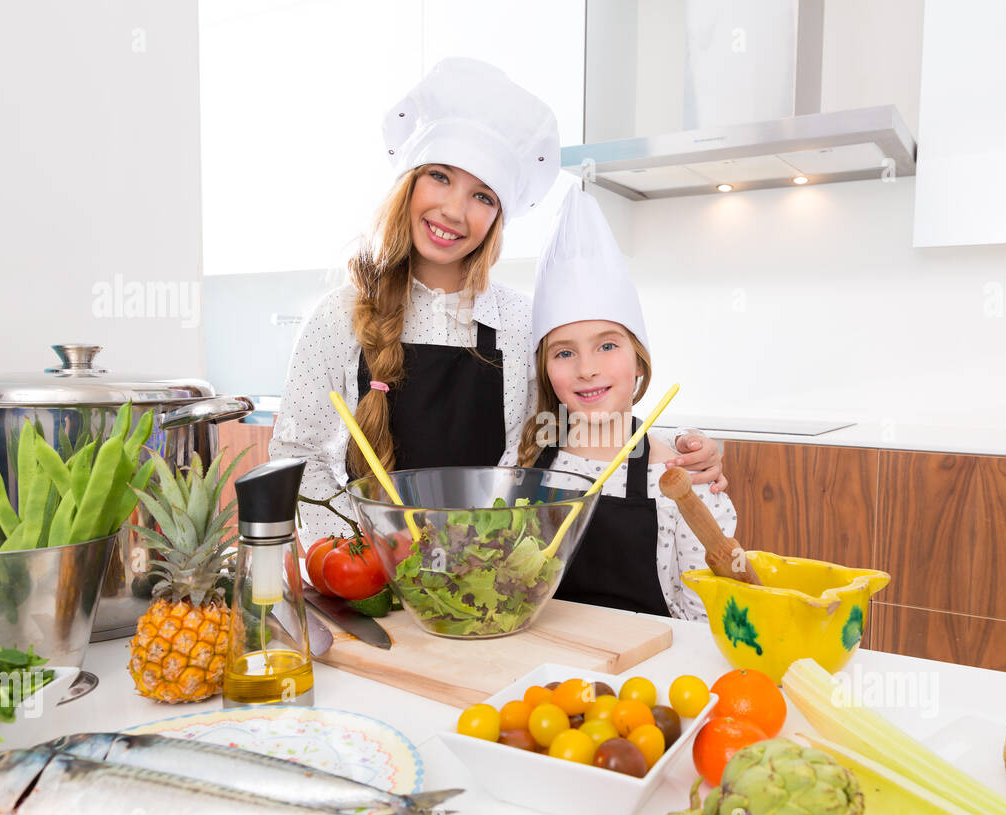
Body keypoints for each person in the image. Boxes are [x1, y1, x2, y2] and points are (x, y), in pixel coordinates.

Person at [270, 58, 724, 542]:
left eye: (483, 196)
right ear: (409, 182)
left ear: (498, 219)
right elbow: (299, 460)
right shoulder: (337, 318)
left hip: (489, 579)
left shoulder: (522, 322)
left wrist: (676, 448)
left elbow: (576, 432)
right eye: (440, 177)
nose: (453, 210)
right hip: (368, 581)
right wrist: (367, 547)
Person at [500, 188, 737, 621]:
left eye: (607, 345)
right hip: (539, 672)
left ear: (639, 360)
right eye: (564, 353)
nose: (587, 369)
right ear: (546, 370)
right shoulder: (523, 460)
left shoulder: (682, 482)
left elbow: (705, 620)